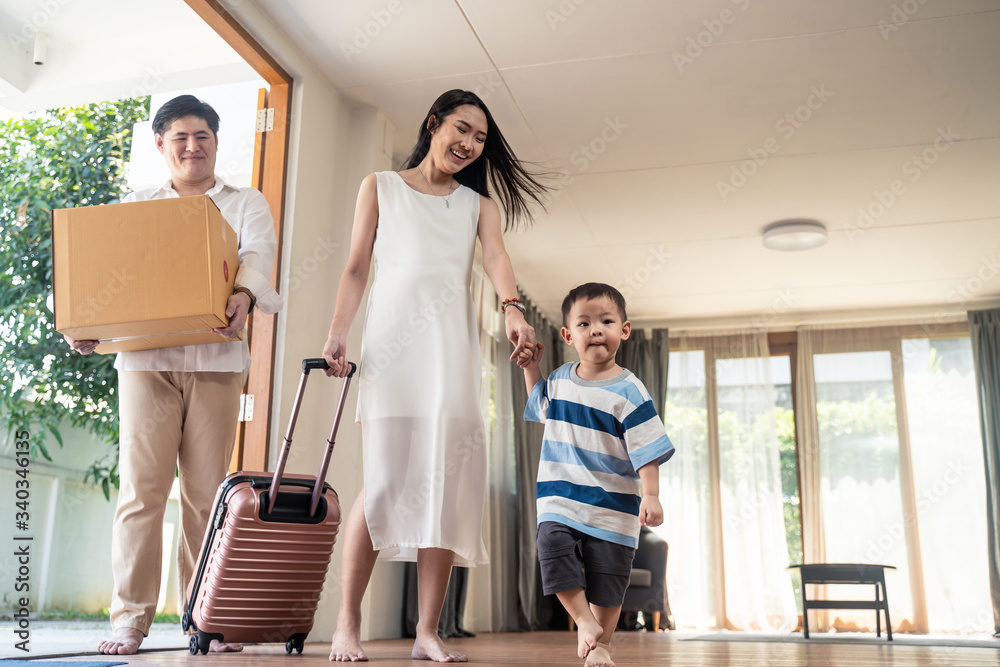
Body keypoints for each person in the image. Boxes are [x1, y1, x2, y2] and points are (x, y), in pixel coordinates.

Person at [322, 89, 549, 662]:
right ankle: (346, 625)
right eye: (462, 130)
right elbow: (355, 267)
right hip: (392, 355)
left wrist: (513, 309)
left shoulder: (478, 207)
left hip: (451, 359)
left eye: (480, 139)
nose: (470, 145)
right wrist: (338, 333)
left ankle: (427, 631)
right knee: (381, 489)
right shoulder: (381, 187)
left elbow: (497, 260)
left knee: (445, 494)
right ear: (434, 123)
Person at [63, 94, 282, 655]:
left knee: (208, 498)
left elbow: (258, 256)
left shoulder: (246, 200)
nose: (193, 145)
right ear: (161, 144)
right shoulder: (136, 205)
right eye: (180, 137)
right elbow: (103, 273)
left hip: (215, 362)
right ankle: (130, 620)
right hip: (145, 363)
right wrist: (85, 322)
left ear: (215, 140)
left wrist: (245, 293)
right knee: (142, 492)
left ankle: (205, 618)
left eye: (202, 135)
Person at [522, 283, 674, 667]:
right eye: (585, 323)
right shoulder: (557, 379)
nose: (595, 330)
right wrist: (532, 368)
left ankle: (600, 644)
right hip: (560, 498)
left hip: (614, 506)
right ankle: (584, 623)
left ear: (624, 330)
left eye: (606, 321)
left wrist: (651, 495)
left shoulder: (630, 392)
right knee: (552, 549)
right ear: (568, 335)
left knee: (609, 579)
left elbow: (648, 449)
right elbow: (541, 407)